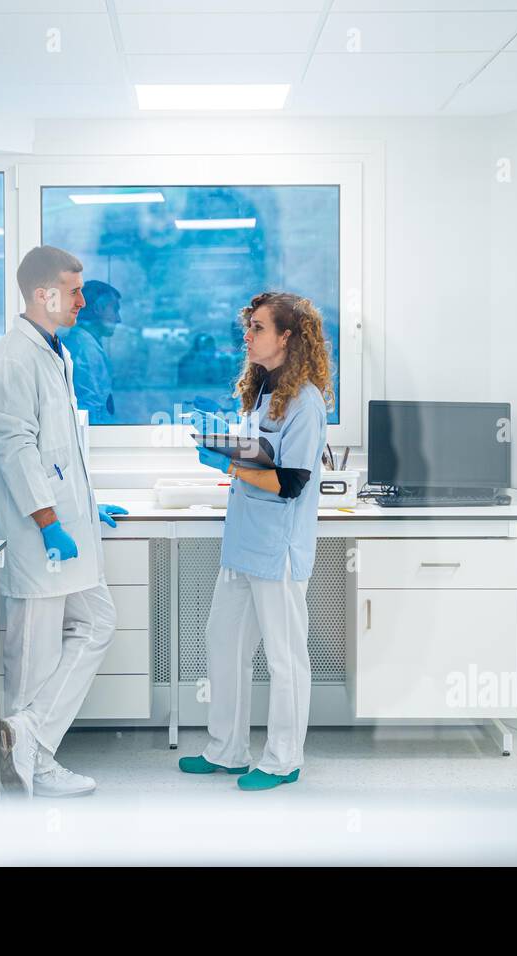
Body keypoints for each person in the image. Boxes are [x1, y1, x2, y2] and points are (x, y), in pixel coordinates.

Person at [0, 245, 129, 798]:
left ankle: (23, 736)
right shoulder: (10, 360)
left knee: (97, 623)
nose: (81, 301)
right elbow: (16, 449)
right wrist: (49, 522)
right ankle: (32, 769)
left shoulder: (55, 353)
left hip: (66, 525)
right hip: (38, 533)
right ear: (44, 294)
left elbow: (60, 450)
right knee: (33, 657)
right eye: (73, 290)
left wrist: (87, 509)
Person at [179, 292, 334, 791]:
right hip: (243, 544)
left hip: (278, 549)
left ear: (287, 337)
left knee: (285, 656)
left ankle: (284, 759)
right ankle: (227, 749)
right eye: (248, 326)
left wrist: (229, 463)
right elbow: (260, 456)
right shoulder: (263, 393)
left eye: (258, 328)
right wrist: (222, 443)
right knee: (224, 643)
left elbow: (290, 481)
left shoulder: (306, 402)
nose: (247, 336)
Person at [63, 279, 120, 424]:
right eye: (114, 309)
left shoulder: (86, 345)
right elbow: (89, 409)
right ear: (98, 308)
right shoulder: (84, 350)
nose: (118, 319)